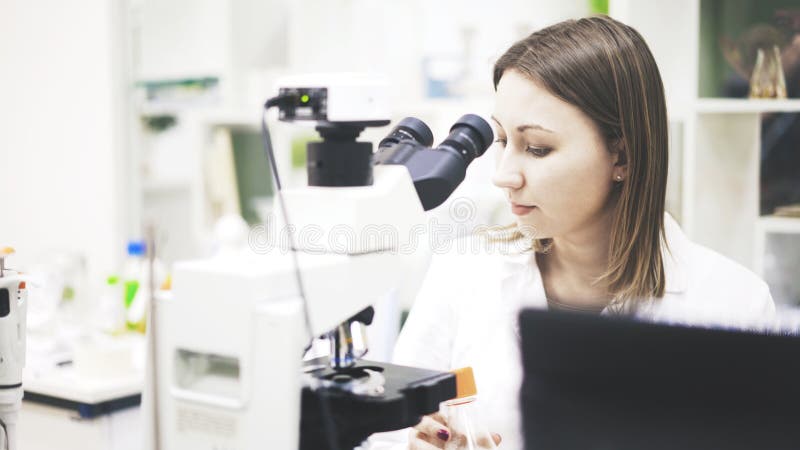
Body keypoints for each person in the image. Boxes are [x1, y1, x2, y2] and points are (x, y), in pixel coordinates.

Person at [367, 15, 776, 450]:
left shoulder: (736, 304)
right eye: (503, 140)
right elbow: (391, 432)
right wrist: (416, 441)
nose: (504, 176)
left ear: (622, 155)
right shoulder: (464, 270)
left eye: (538, 148)